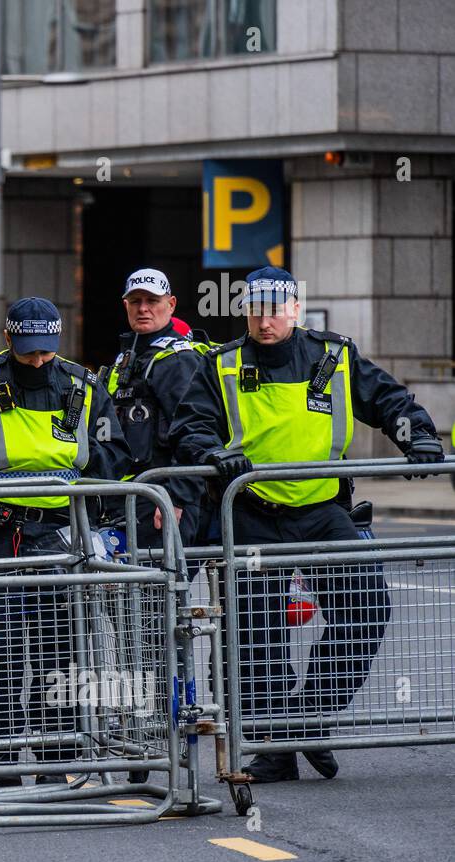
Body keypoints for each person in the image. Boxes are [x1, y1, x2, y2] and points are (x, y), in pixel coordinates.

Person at [170, 266, 444, 783]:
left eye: (274, 309)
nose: (265, 320)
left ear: (295, 309)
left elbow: (389, 400)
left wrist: (418, 436)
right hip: (250, 513)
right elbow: (192, 426)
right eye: (255, 309)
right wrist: (212, 452)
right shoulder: (222, 365)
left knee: (366, 608)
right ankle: (276, 748)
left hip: (323, 511)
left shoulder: (333, 356)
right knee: (254, 638)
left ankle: (308, 720)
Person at [0, 298, 132, 787]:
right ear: (8, 340)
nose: (38, 362)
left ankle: (54, 757)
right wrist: (22, 465)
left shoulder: (83, 386)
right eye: (28, 353)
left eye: (46, 353)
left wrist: (51, 469)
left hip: (57, 534)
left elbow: (115, 454)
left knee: (58, 652)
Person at [98, 268, 209, 547]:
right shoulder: (127, 356)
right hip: (128, 499)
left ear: (170, 304)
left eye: (152, 301)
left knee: (163, 589)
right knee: (134, 589)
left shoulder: (178, 360)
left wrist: (176, 497)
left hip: (163, 502)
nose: (143, 309)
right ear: (126, 305)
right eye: (135, 301)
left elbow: (195, 435)